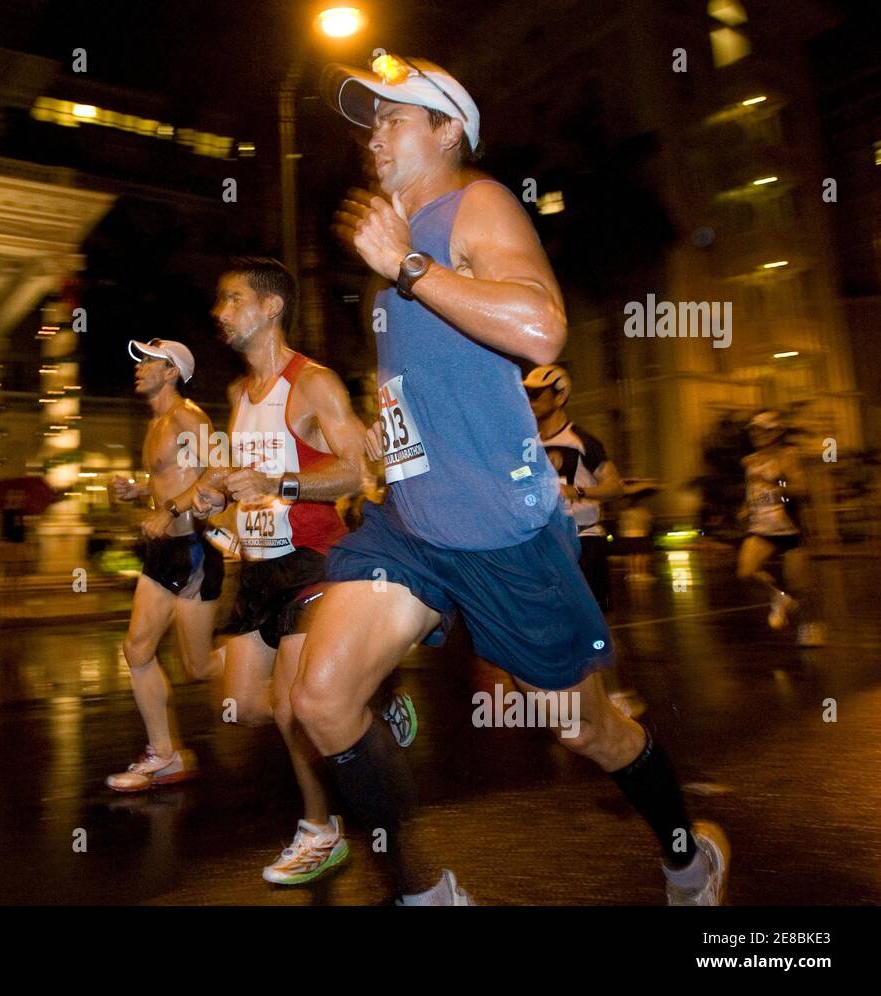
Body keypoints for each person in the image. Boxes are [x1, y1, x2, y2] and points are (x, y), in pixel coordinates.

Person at [287, 53, 728, 905]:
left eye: (393, 118)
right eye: (368, 121)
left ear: (447, 130)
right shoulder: (390, 240)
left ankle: (686, 856)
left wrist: (407, 266)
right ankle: (425, 896)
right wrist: (392, 433)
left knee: (583, 727)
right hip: (411, 522)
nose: (373, 136)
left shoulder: (475, 206)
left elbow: (542, 327)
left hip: (498, 527)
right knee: (320, 697)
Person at [171, 257, 415, 885]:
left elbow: (351, 473)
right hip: (258, 570)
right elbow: (240, 471)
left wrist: (279, 481)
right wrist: (213, 489)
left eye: (232, 299)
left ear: (270, 307)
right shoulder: (237, 394)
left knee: (292, 706)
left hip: (314, 563)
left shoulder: (314, 384)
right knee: (243, 704)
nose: (219, 313)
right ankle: (374, 694)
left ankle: (320, 831)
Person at [105, 338, 225, 791]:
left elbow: (218, 474)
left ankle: (285, 670)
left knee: (197, 667)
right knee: (137, 650)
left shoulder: (186, 417)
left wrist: (170, 511)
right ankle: (165, 754)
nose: (138, 368)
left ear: (171, 371)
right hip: (162, 554)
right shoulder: (156, 423)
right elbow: (175, 478)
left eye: (149, 362)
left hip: (192, 547)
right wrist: (139, 491)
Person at [524, 364, 624, 611]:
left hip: (584, 540)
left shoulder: (581, 440)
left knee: (593, 620)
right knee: (552, 617)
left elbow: (615, 486)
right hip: (545, 542)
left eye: (537, 394)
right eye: (527, 394)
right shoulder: (529, 444)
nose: (530, 400)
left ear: (560, 397)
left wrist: (578, 492)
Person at [737, 410, 823, 646]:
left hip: (790, 529)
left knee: (800, 585)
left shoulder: (788, 456)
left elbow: (800, 489)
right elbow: (752, 491)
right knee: (745, 572)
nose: (757, 435)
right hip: (762, 528)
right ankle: (778, 598)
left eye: (763, 430)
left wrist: (777, 483)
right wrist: (745, 507)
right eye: (753, 430)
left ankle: (810, 627)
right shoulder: (750, 461)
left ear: (776, 432)